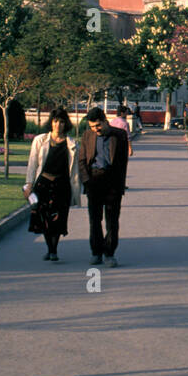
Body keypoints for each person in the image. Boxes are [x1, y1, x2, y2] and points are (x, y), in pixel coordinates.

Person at [23, 107, 81, 262]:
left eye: (61, 122)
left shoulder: (72, 144)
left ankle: (54, 250)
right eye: (55, 121)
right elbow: (33, 163)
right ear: (51, 122)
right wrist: (29, 184)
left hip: (61, 186)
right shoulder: (40, 140)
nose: (58, 125)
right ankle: (50, 248)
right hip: (43, 184)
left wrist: (77, 190)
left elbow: (75, 171)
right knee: (44, 219)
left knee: (58, 219)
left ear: (65, 124)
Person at [79, 106, 130, 267]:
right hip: (94, 180)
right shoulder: (87, 136)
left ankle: (109, 253)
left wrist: (120, 185)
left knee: (112, 220)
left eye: (98, 126)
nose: (96, 129)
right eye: (92, 127)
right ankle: (96, 252)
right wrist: (86, 181)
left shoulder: (119, 135)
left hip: (112, 181)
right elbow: (81, 161)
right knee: (94, 219)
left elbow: (123, 164)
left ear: (105, 121)